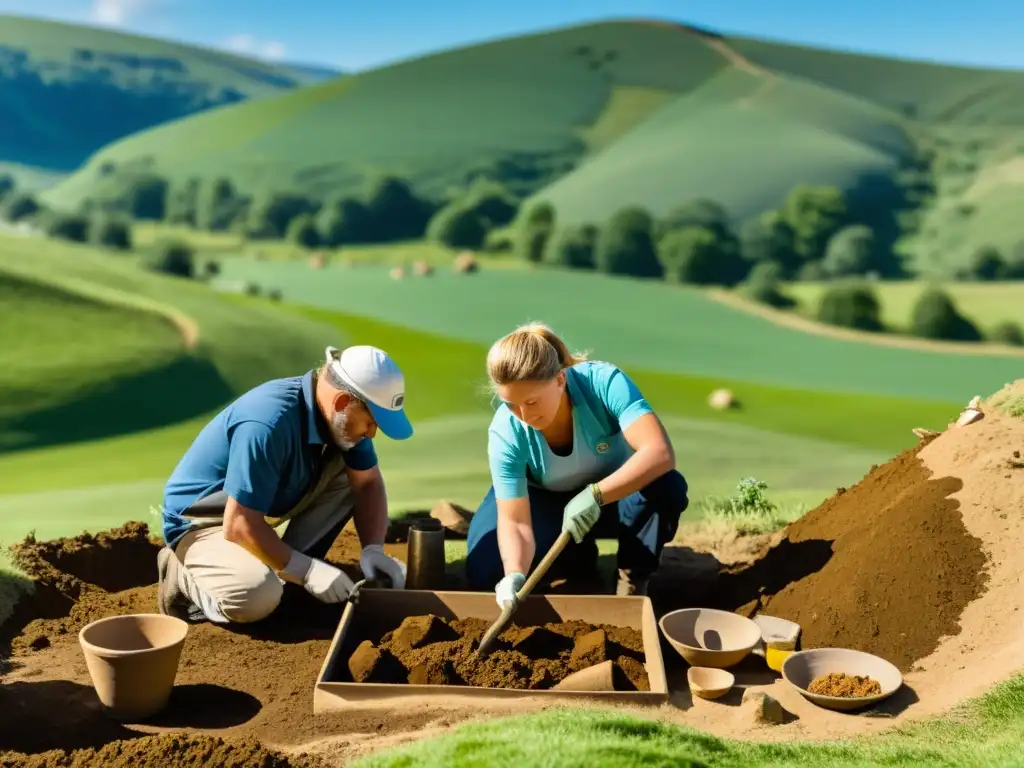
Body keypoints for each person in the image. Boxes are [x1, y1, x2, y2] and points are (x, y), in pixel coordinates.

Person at [155, 344, 413, 624]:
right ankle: (182, 577)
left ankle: (288, 574)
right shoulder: (268, 421)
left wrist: (373, 549)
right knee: (255, 596)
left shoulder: (342, 422)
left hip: (251, 511)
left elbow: (367, 483)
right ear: (341, 403)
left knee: (348, 473)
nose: (372, 434)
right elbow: (239, 524)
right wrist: (308, 571)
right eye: (371, 423)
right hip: (203, 523)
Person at [465, 323, 689, 605]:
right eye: (511, 403)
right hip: (543, 499)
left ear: (560, 380)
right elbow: (515, 520)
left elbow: (659, 452)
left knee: (667, 486)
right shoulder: (505, 430)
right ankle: (575, 554)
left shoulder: (604, 382)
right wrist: (515, 574)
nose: (523, 415)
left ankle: (633, 575)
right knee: (485, 571)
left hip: (615, 497)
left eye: (532, 401)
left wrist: (596, 495)